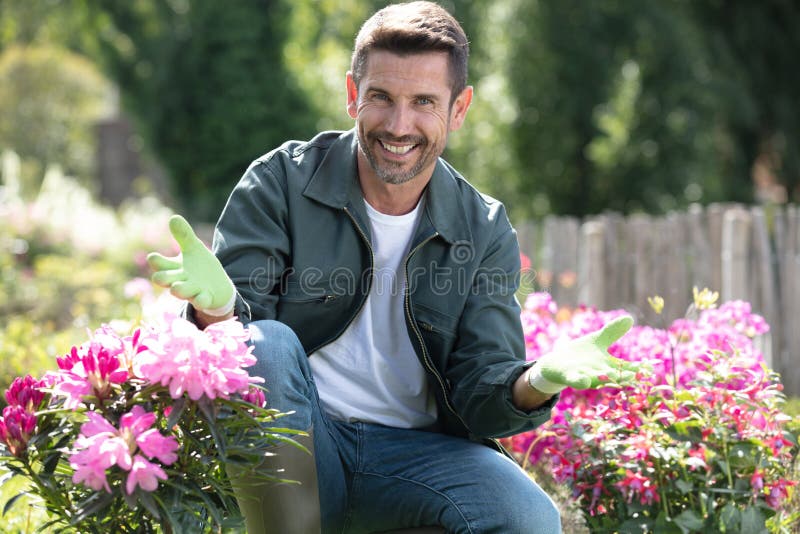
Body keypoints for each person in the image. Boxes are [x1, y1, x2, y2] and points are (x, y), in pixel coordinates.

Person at [147, 2, 639, 532]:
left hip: (417, 459)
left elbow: (482, 393)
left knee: (527, 515)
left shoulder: (483, 227)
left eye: (423, 101)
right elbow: (243, 363)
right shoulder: (281, 183)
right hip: (299, 445)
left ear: (459, 108)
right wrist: (217, 311)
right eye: (381, 97)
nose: (399, 125)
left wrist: (537, 379)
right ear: (353, 95)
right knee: (264, 342)